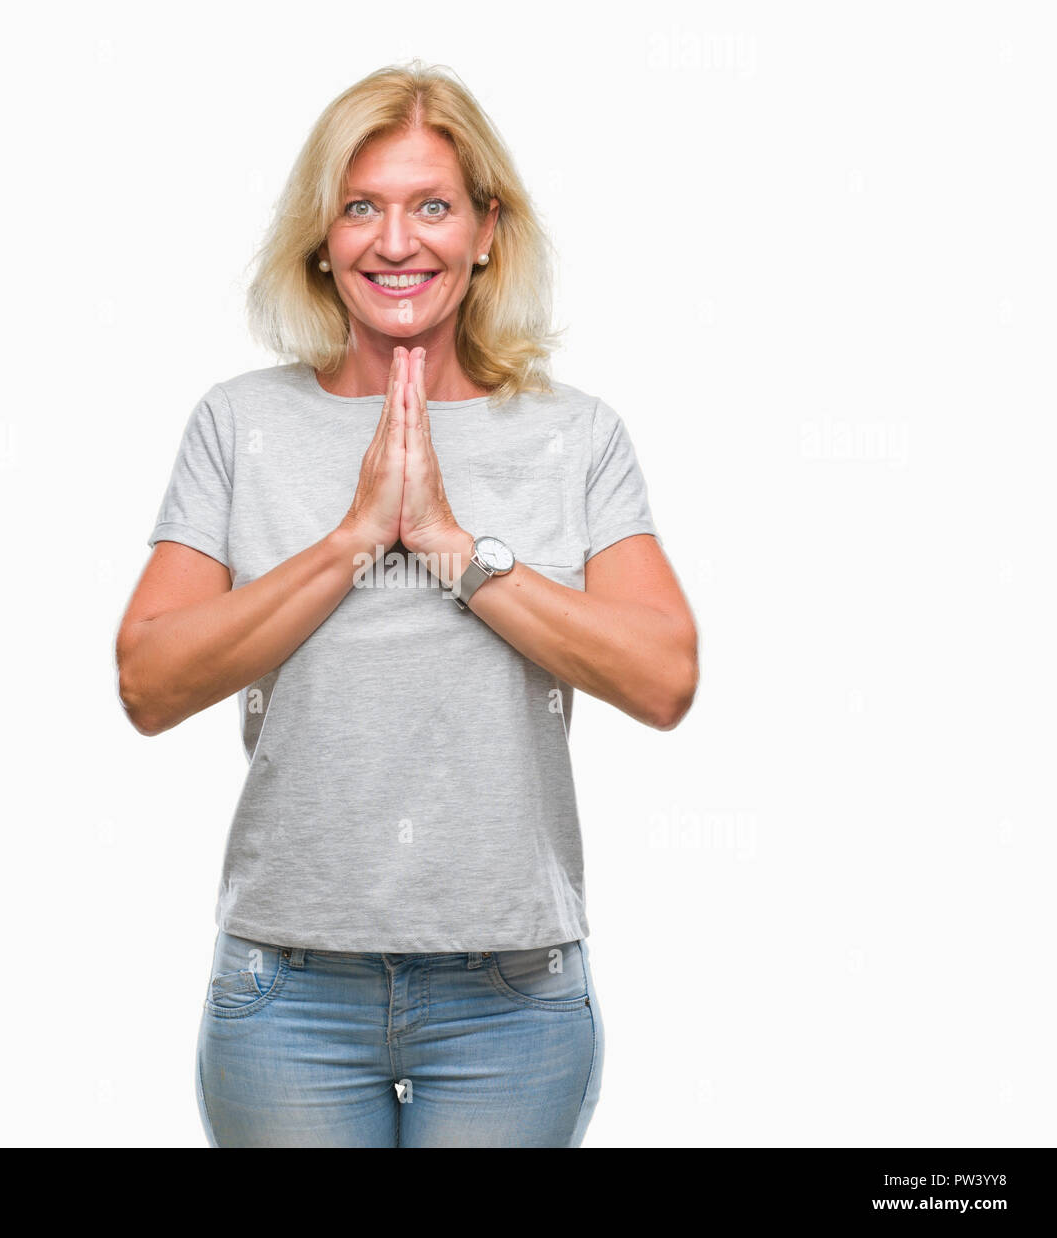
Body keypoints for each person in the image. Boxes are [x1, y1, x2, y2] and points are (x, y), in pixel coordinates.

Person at [115, 60, 698, 1147]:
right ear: (319, 237)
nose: (396, 242)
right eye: (361, 207)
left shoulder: (574, 435)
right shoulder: (237, 424)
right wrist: (350, 538)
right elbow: (148, 680)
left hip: (512, 998)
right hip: (287, 993)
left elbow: (663, 676)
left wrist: (447, 541)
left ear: (485, 231)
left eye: (431, 205)